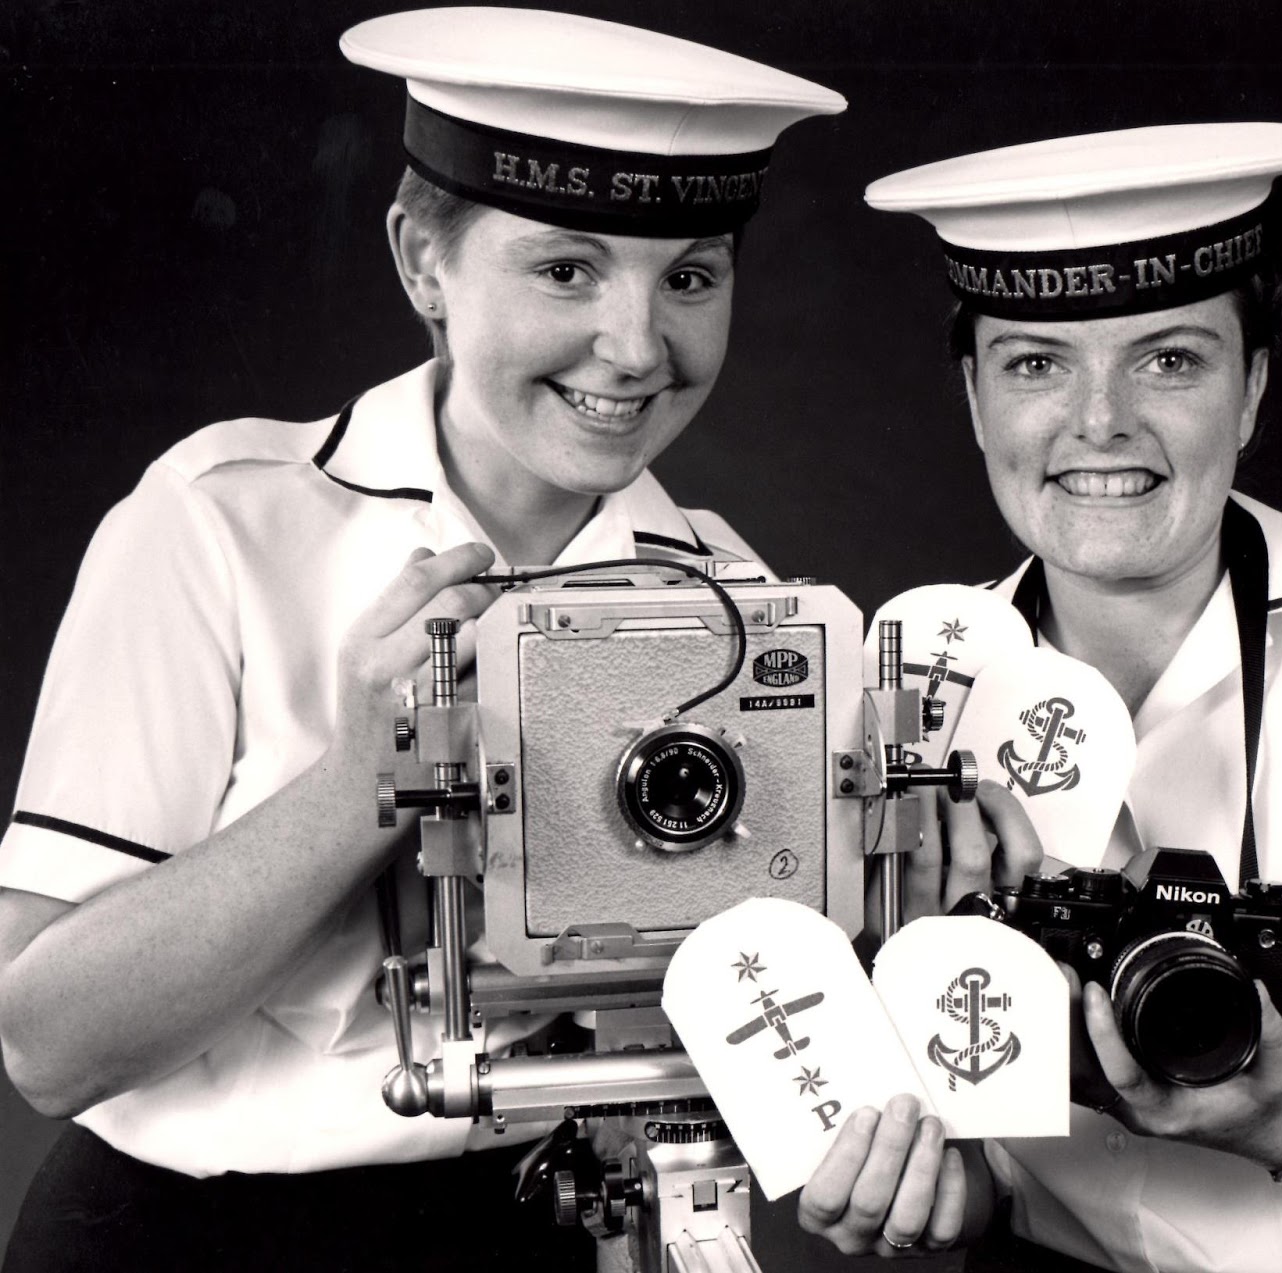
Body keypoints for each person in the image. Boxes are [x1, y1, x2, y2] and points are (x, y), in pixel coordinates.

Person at [0, 9, 843, 1270]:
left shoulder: (737, 602)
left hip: (545, 1235)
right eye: (566, 269)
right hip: (199, 1236)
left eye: (691, 274)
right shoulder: (221, 522)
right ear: (422, 263)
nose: (636, 346)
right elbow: (46, 1044)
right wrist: (361, 784)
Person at [796, 124, 1282, 1272]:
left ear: (1252, 387)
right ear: (975, 400)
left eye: (1168, 358)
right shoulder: (911, 688)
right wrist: (911, 1189)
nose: (1100, 420)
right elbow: (975, 1165)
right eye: (1036, 361)